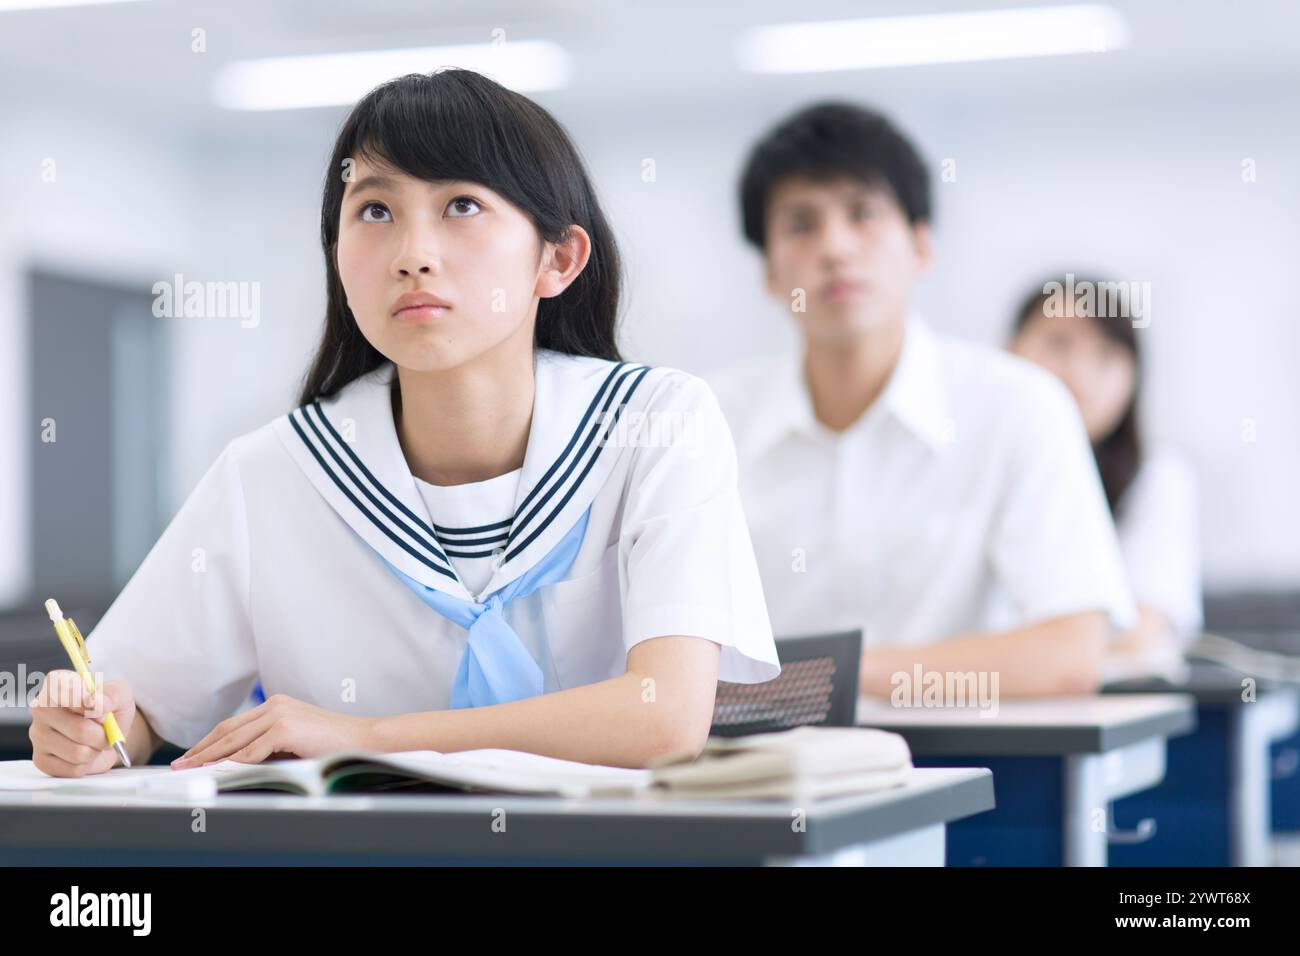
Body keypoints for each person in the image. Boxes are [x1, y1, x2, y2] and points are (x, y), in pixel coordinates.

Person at [29, 69, 779, 778]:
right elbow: (137, 708)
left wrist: (371, 740)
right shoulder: (275, 470)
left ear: (558, 259)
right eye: (376, 211)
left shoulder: (655, 424)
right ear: (338, 259)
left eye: (462, 206)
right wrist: (96, 732)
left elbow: (665, 718)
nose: (412, 256)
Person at [708, 102, 1135, 698]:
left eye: (864, 214)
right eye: (801, 224)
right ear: (770, 274)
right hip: (758, 771)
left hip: (968, 772)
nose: (835, 248)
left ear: (922, 246)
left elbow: (1067, 654)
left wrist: (822, 677)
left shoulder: (1019, 407)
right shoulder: (709, 422)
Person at [1010, 279, 1201, 680]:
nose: (1079, 373)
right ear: (1009, 351)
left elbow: (1142, 628)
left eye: (1106, 357)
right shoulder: (977, 465)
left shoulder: (1156, 477)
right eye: (1058, 345)